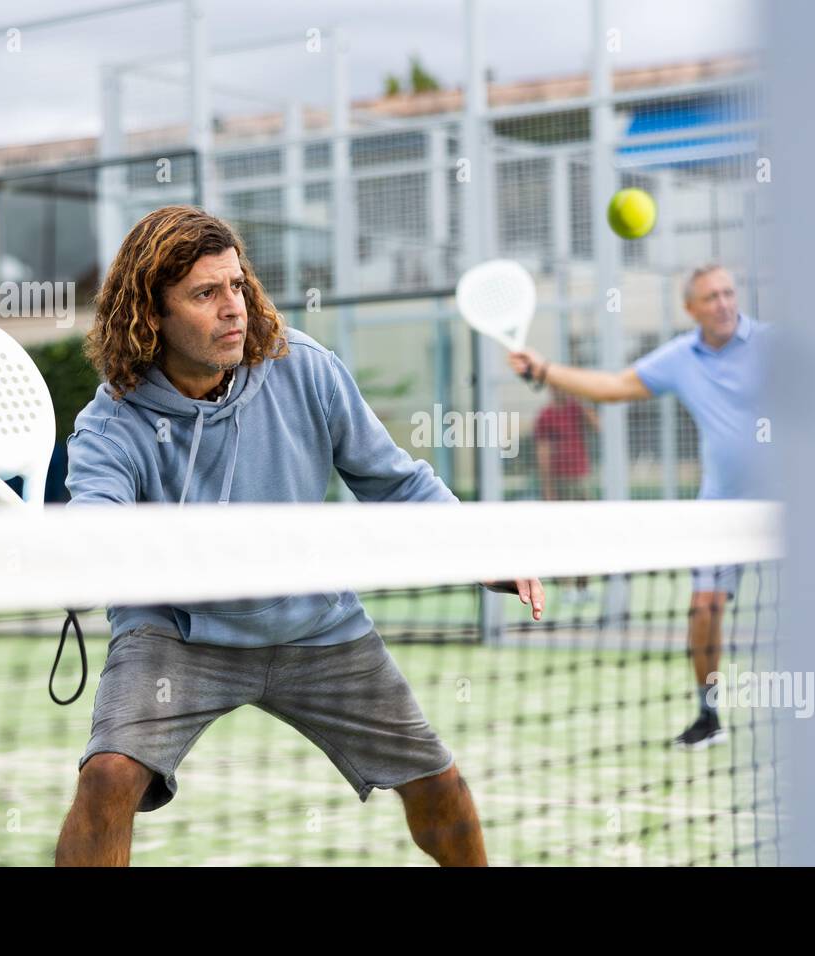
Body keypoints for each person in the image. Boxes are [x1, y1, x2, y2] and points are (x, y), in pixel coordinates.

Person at [57, 205, 542, 866]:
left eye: (236, 285)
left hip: (314, 621)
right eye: (205, 293)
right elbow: (100, 529)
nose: (234, 308)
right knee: (108, 775)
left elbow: (393, 481)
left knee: (437, 781)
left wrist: (479, 552)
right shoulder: (111, 425)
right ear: (152, 315)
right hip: (178, 632)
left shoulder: (304, 366)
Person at [508, 263, 769, 750]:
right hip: (721, 508)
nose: (725, 303)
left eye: (730, 293)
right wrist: (543, 371)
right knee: (703, 608)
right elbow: (612, 387)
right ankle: (709, 714)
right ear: (691, 308)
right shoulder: (680, 358)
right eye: (711, 297)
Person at [533, 386, 599, 604]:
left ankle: (584, 588)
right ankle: (567, 589)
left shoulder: (577, 409)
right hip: (559, 482)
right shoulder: (546, 416)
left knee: (586, 534)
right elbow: (543, 454)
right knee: (562, 536)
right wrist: (549, 490)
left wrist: (580, 398)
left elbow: (598, 426)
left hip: (580, 480)